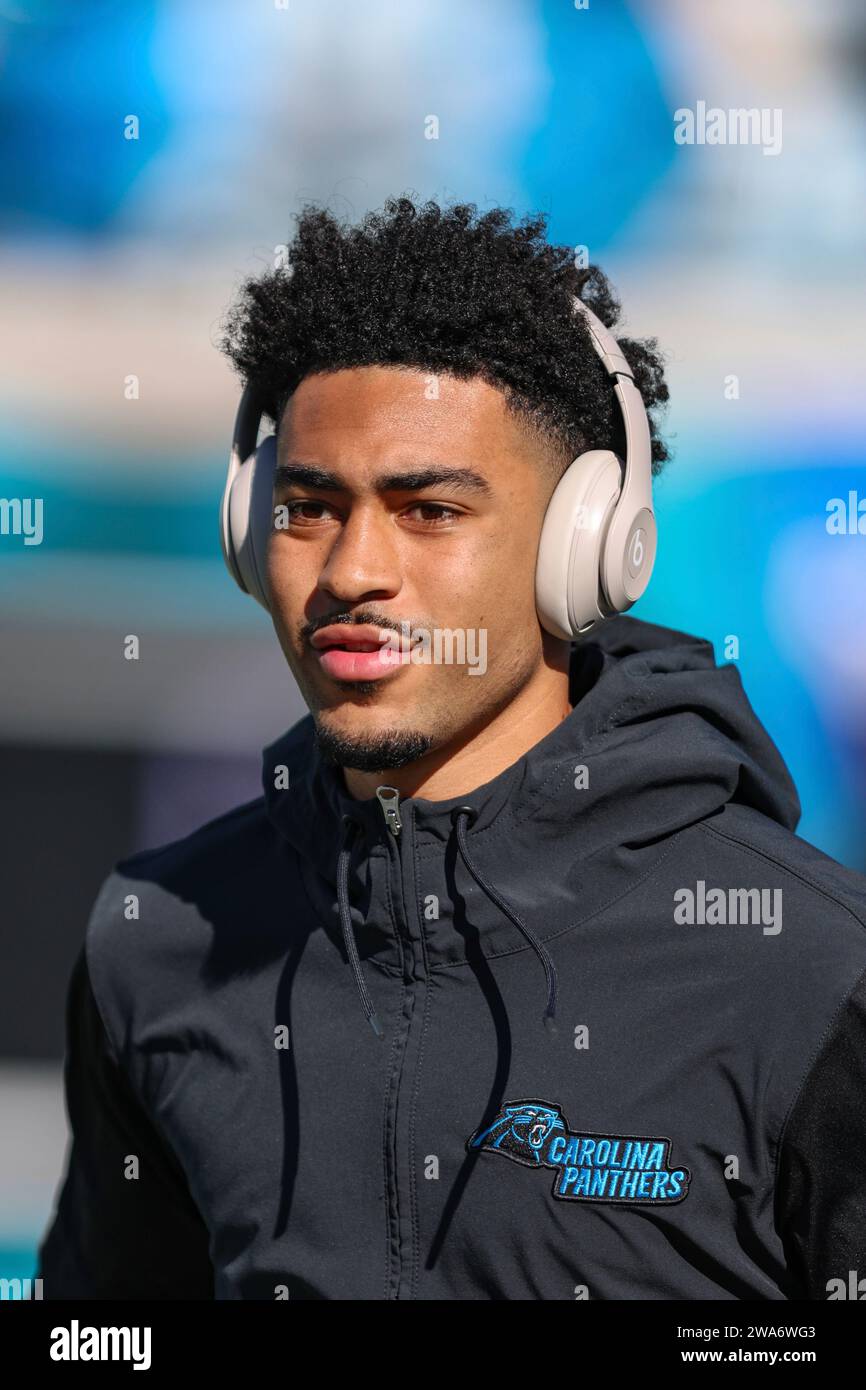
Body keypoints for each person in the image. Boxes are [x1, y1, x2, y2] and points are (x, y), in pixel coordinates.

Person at [38, 197, 866, 1300]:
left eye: (427, 510)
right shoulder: (157, 940)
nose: (350, 573)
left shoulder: (810, 971)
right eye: (306, 508)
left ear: (587, 547)